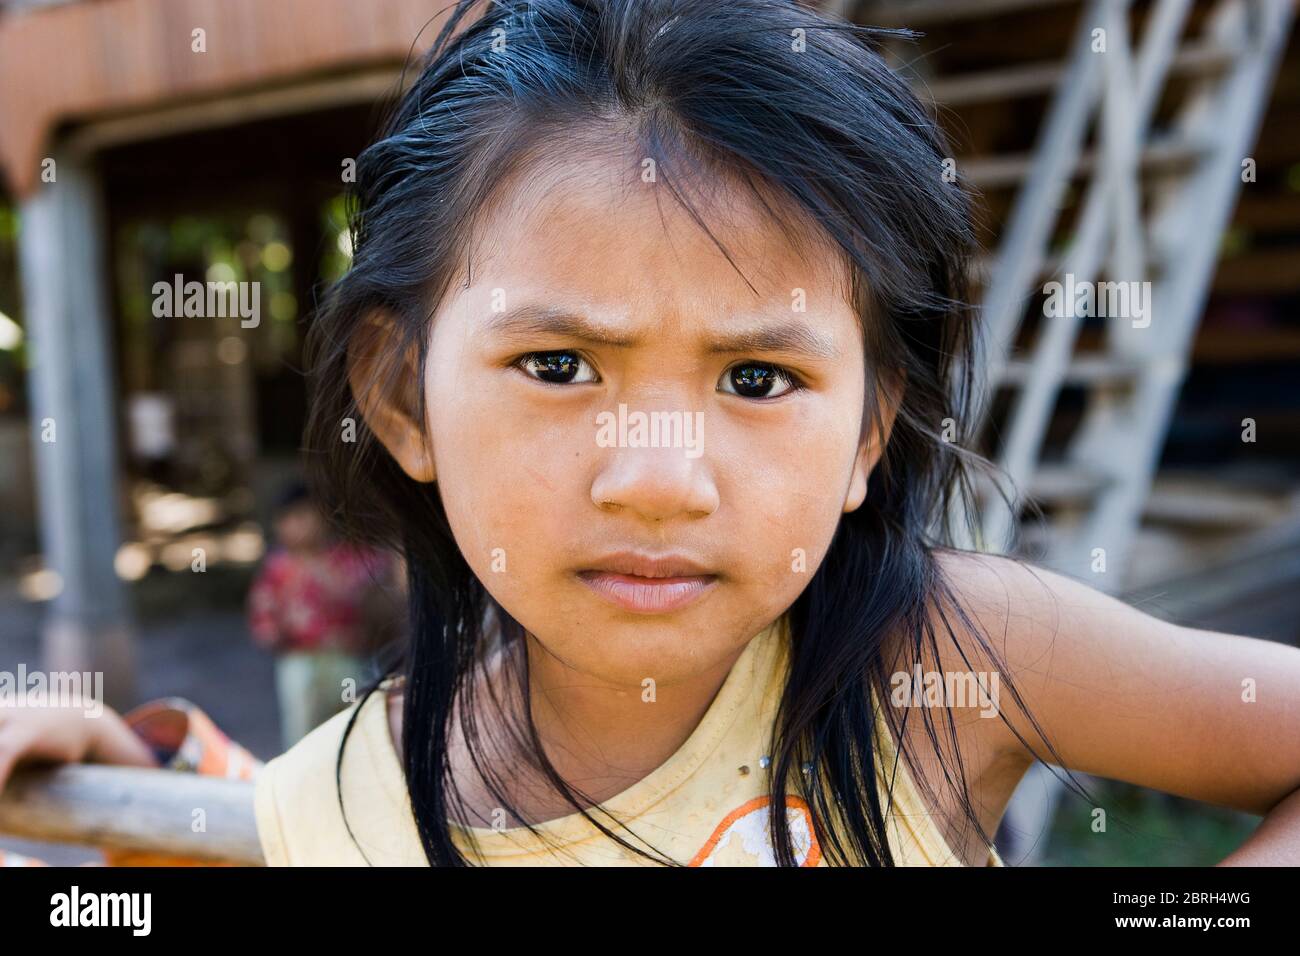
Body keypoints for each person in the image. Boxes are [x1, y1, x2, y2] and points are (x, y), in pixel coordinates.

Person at [2, 0, 1299, 867]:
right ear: (401, 398)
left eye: (756, 378)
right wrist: (138, 781)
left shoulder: (947, 666)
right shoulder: (349, 787)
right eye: (559, 364)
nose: (659, 479)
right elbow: (287, 835)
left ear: (866, 435)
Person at [247, 481, 400, 750]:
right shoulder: (278, 571)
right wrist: (277, 637)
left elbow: (381, 584)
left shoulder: (350, 558)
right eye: (290, 519)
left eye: (305, 515)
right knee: (305, 731)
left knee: (359, 725)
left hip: (348, 659)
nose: (299, 525)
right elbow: (264, 619)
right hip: (301, 661)